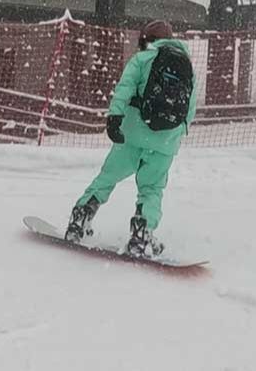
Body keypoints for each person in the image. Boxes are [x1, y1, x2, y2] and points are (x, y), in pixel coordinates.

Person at [65, 19, 198, 257]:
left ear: (146, 40)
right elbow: (189, 109)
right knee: (152, 189)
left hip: (133, 132)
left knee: (108, 177)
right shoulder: (186, 65)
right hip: (165, 141)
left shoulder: (142, 59)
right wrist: (174, 136)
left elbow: (124, 88)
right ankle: (142, 233)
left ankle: (79, 219)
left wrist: (114, 118)